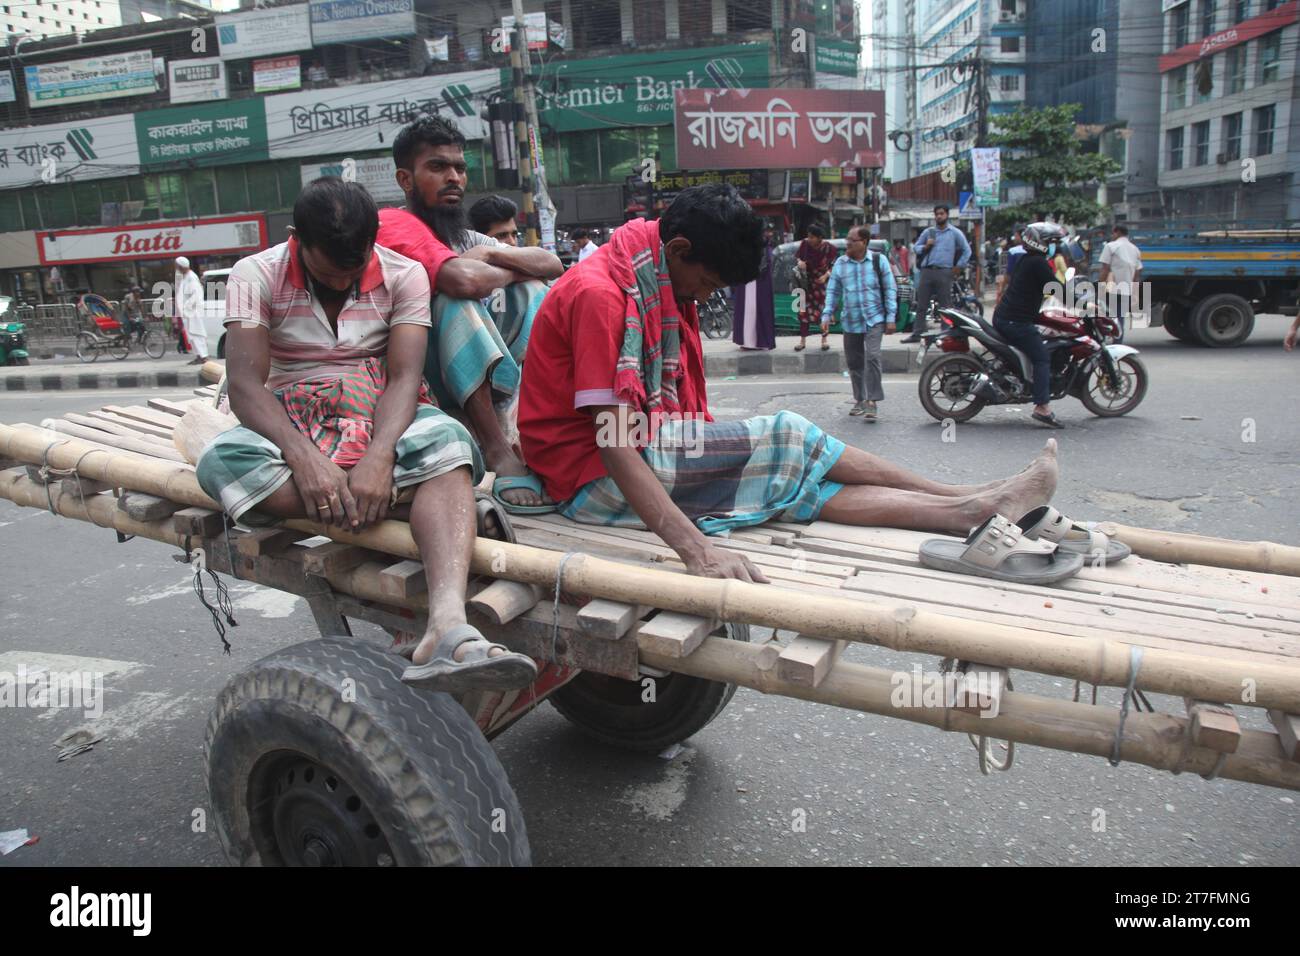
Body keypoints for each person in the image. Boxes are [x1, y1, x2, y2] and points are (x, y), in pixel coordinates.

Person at [516, 184, 1059, 583]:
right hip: (588, 477)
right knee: (788, 436)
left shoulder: (646, 268)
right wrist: (696, 550)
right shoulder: (602, 294)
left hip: (631, 450)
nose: (702, 298)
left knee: (805, 486)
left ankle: (971, 505)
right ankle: (968, 499)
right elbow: (612, 440)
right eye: (706, 283)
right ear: (678, 250)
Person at [196, 177, 537, 692]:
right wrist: (307, 460)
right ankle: (415, 504)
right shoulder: (254, 273)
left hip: (378, 406)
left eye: (353, 271)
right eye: (327, 272)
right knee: (221, 463)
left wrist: (378, 458)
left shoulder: (404, 274)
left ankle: (446, 626)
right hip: (293, 410)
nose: (342, 285)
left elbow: (404, 377)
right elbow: (245, 385)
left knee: (448, 442)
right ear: (297, 239)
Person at [374, 116, 561, 510]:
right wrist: (496, 270)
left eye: (459, 168)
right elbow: (462, 283)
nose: (454, 177)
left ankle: (536, 425)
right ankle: (496, 448)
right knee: (453, 299)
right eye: (438, 167)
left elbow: (551, 263)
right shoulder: (393, 226)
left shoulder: (467, 237)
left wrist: (492, 254)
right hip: (409, 370)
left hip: (470, 365)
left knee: (534, 291)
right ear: (406, 180)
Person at [992, 222, 1069, 429]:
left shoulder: (1028, 260)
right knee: (1042, 356)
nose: (1054, 246)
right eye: (1051, 242)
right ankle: (1042, 407)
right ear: (1040, 242)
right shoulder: (1037, 263)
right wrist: (1081, 302)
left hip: (1008, 317)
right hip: (1014, 322)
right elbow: (1057, 289)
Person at [822, 225, 897, 423]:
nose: (847, 243)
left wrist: (891, 317)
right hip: (851, 320)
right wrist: (827, 314)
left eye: (851, 240)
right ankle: (860, 399)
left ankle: (872, 401)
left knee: (872, 356)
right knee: (854, 362)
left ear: (863, 242)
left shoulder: (878, 261)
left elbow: (890, 289)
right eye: (847, 239)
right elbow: (833, 291)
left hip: (874, 318)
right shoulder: (841, 263)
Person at [905, 204, 971, 342]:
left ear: (947, 215)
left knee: (945, 305)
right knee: (921, 303)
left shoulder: (954, 233)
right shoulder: (929, 232)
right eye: (936, 214)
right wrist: (926, 246)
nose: (939, 216)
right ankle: (917, 333)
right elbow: (916, 248)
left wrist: (958, 267)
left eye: (941, 213)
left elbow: (967, 250)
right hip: (927, 271)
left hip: (944, 271)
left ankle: (946, 334)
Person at [731, 226, 776, 351]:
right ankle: (749, 342)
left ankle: (758, 342)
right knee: (749, 310)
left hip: (757, 281)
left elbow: (764, 264)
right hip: (749, 280)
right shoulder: (753, 245)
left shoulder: (763, 246)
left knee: (756, 309)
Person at [794, 224, 836, 351]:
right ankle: (802, 341)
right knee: (802, 312)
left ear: (820, 238)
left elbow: (834, 265)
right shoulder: (804, 245)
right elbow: (798, 258)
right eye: (808, 236)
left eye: (812, 237)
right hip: (804, 284)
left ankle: (824, 340)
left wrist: (826, 275)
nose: (809, 239)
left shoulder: (829, 248)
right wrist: (800, 263)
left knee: (823, 312)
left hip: (821, 284)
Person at [1097, 224, 1142, 340]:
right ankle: (1118, 342)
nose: (1112, 236)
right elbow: (1137, 272)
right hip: (1126, 289)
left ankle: (1102, 343)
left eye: (1113, 233)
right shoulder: (1135, 249)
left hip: (1111, 289)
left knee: (1103, 316)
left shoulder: (1111, 246)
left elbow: (1105, 268)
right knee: (1120, 318)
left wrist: (1099, 284)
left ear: (1117, 232)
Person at [174, 256, 206, 366]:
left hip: (193, 311)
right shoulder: (185, 277)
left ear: (181, 266)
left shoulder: (191, 278)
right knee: (192, 335)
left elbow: (196, 295)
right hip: (188, 313)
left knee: (197, 333)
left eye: (177, 266)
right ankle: (198, 356)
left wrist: (187, 306)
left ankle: (203, 356)